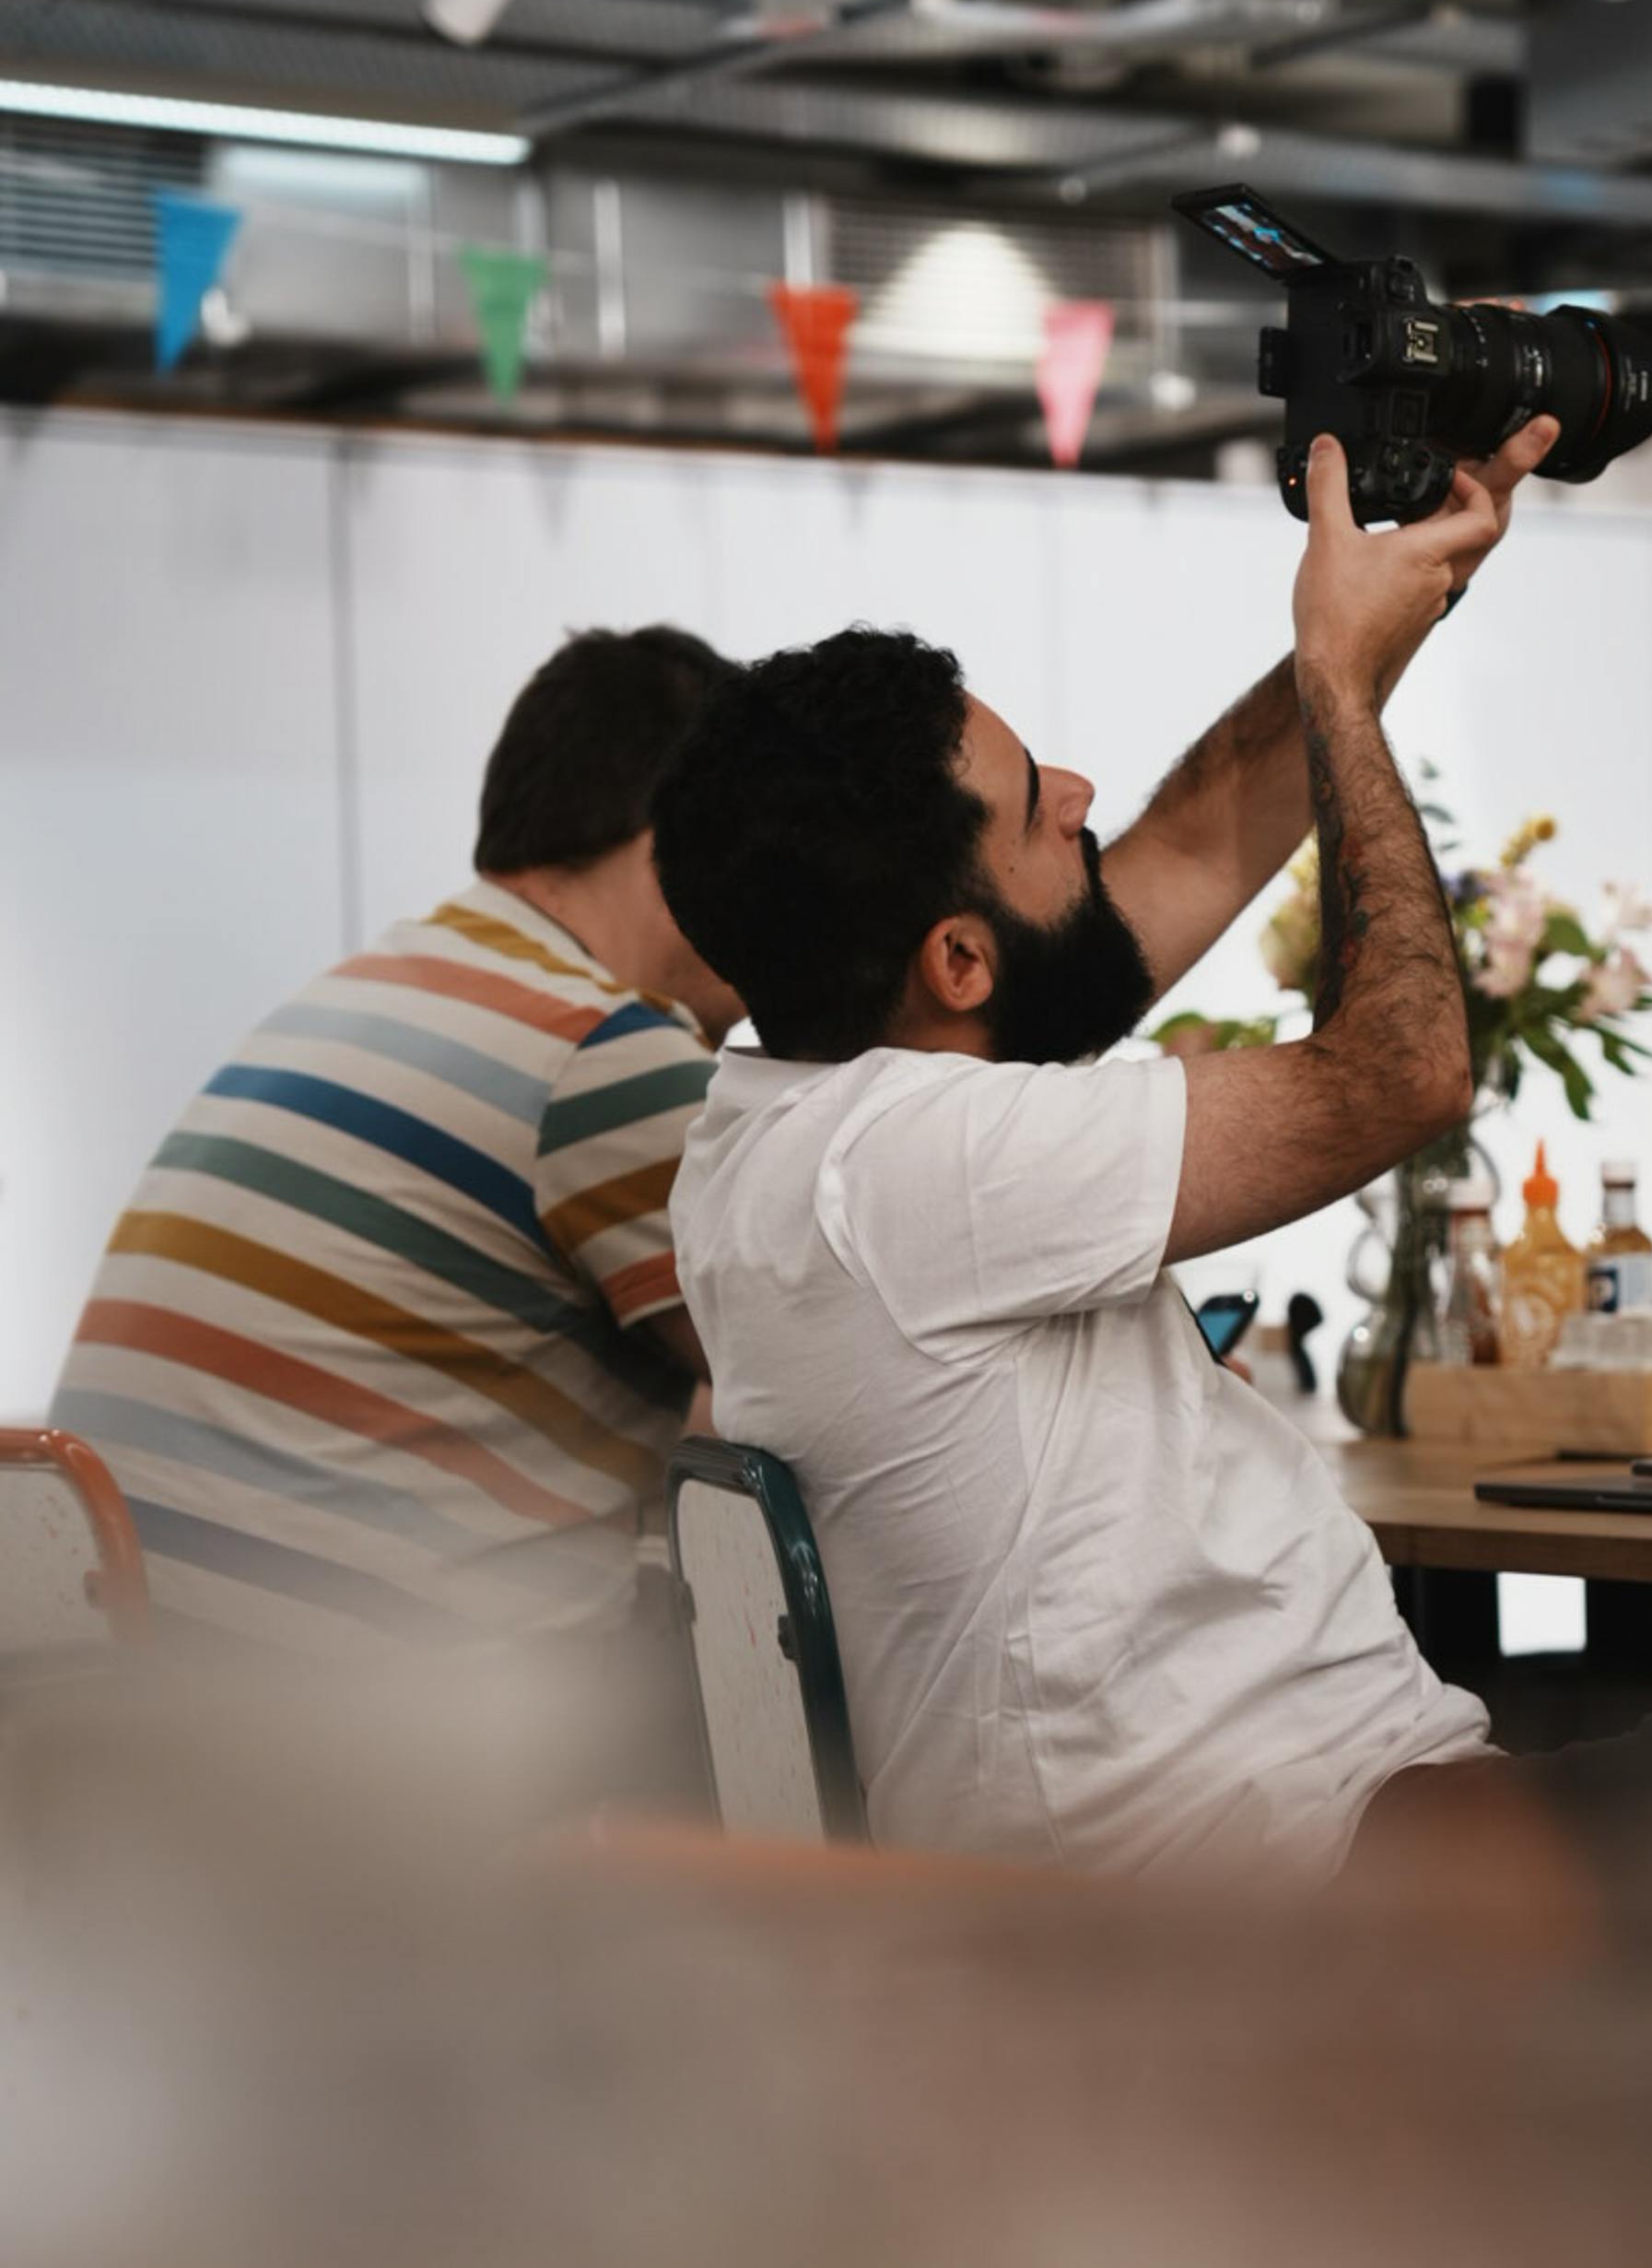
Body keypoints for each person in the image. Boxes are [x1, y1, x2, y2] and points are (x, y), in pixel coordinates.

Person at [652, 422, 1563, 1882]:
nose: (1081, 792)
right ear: (957, 960)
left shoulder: (800, 1119)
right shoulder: (912, 1167)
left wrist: (1406, 586)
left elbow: (1200, 840)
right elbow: (1404, 1073)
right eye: (1035, 810)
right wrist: (1339, 686)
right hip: (1301, 1863)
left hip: (1281, 1809)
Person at [54, 625, 742, 1651]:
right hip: (356, 1746)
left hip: (107, 1698)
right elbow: (834, 1387)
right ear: (677, 842)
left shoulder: (372, 990)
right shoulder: (605, 1051)